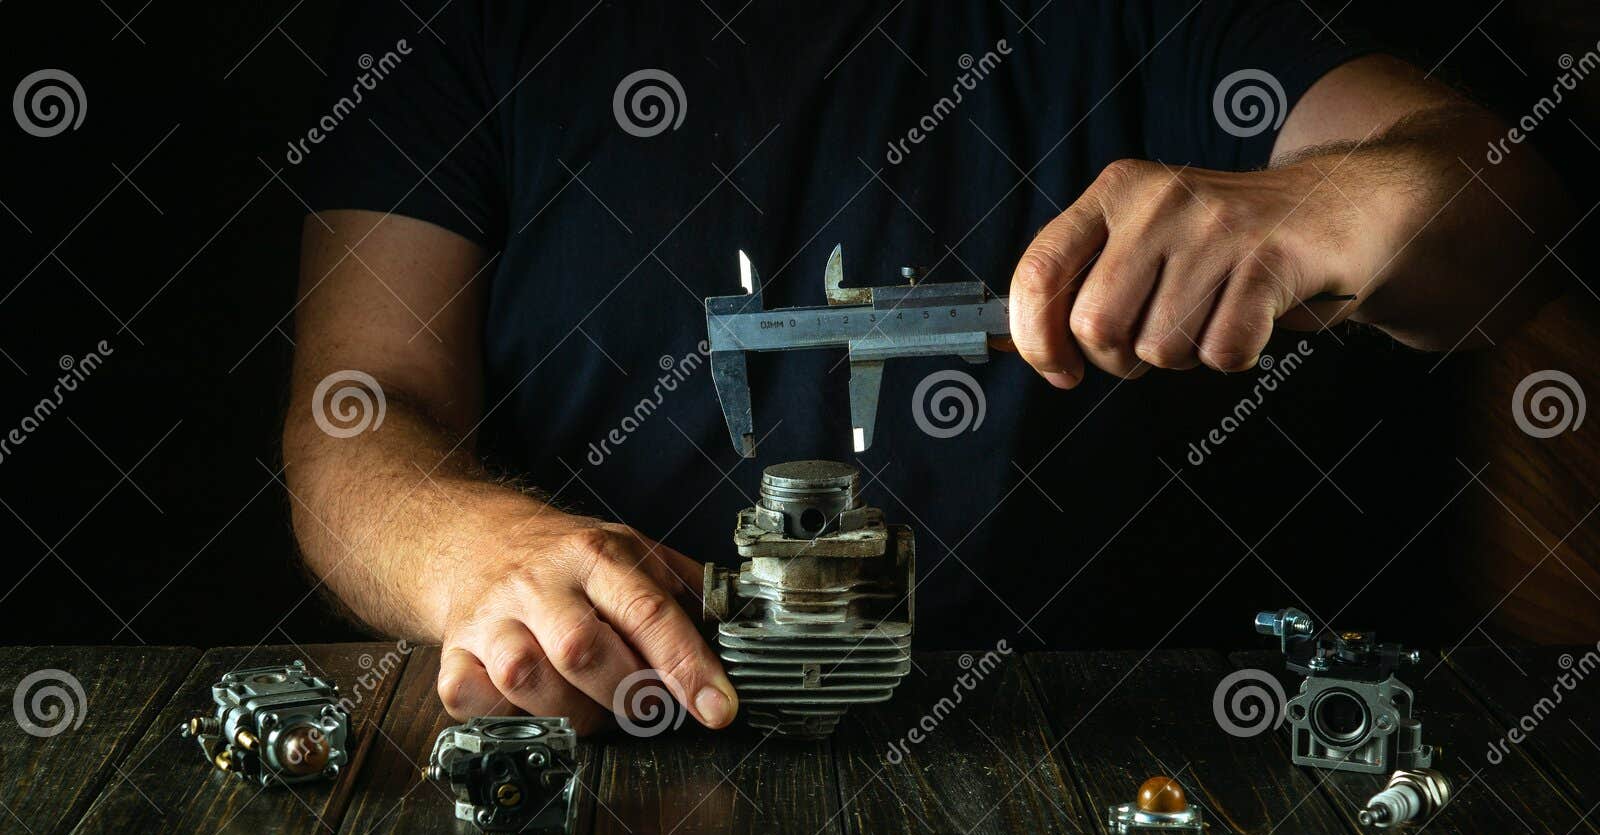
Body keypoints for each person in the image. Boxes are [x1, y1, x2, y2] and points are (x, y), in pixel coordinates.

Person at [282, 1, 1572, 733]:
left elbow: (1497, 204)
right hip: (600, 735)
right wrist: (474, 555)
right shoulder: (455, 29)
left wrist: (1342, 212)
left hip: (1075, 758)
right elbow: (358, 413)